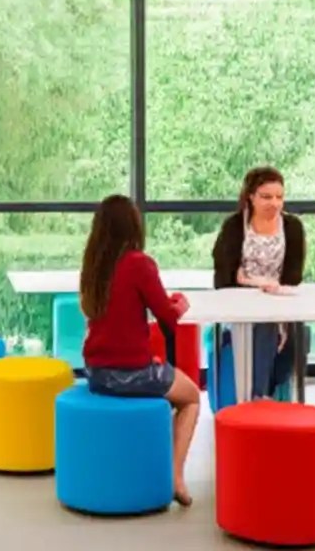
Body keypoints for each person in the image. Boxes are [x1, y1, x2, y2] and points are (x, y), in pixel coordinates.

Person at [80, 195, 201, 507]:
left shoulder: (94, 265)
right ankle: (175, 475)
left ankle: (150, 465)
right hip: (129, 373)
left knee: (158, 367)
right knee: (190, 398)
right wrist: (180, 304)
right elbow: (168, 318)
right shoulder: (139, 264)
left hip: (96, 372)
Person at [211, 166, 306, 399]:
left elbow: (293, 276)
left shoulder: (292, 227)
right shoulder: (234, 226)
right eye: (266, 197)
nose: (274, 203)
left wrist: (258, 282)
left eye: (279, 197)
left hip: (278, 302)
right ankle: (258, 396)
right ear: (250, 197)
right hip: (239, 303)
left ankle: (264, 394)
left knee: (282, 331)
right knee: (263, 325)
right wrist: (254, 285)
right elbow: (224, 276)